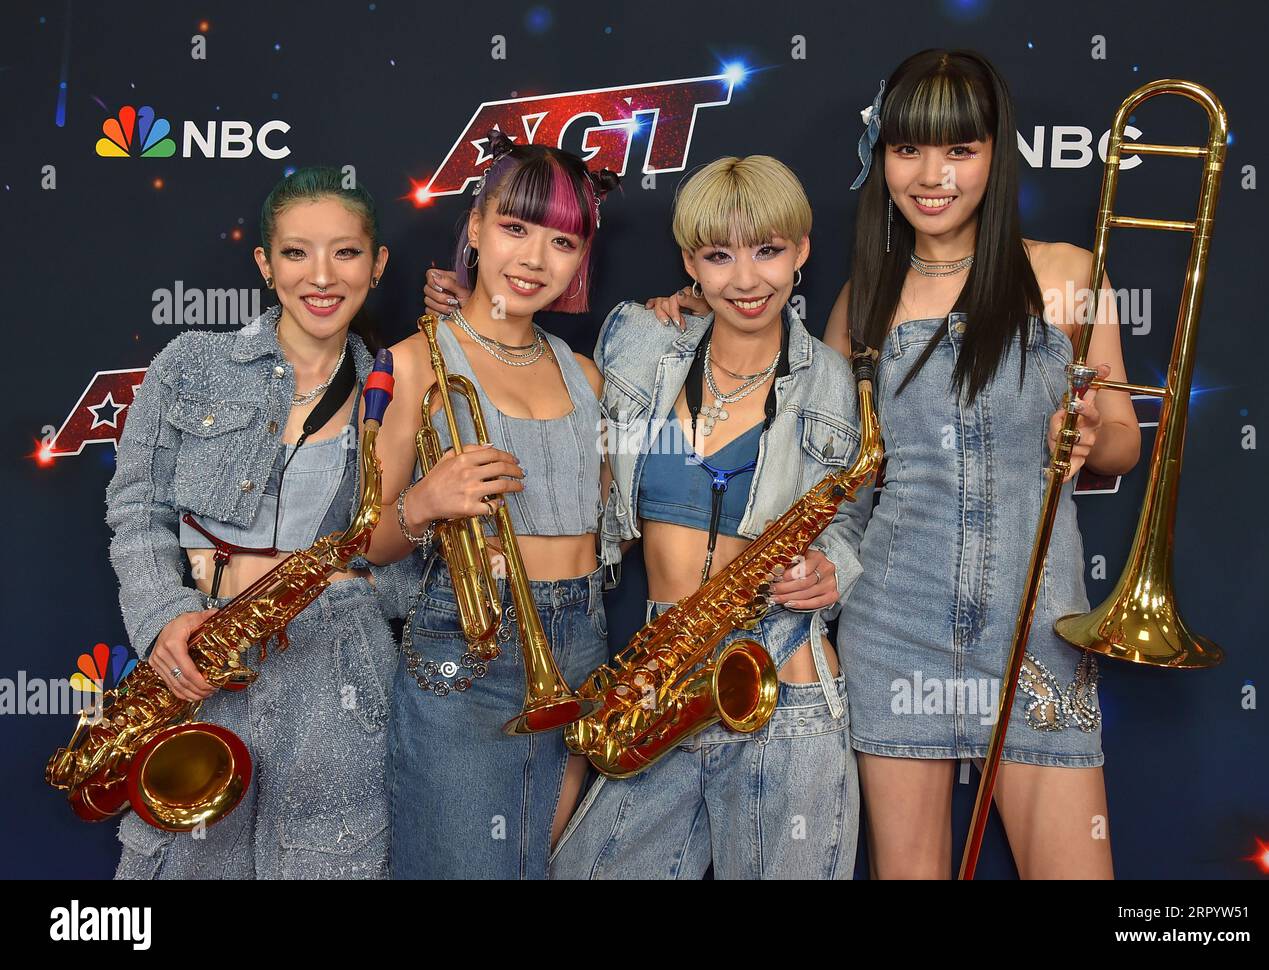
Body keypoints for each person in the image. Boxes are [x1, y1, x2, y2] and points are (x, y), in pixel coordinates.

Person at [647, 50, 1141, 879]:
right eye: (909, 150)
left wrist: (1092, 437)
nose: (933, 175)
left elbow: (1125, 439)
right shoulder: (860, 302)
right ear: (882, 157)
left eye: (960, 150)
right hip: (893, 627)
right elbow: (838, 481)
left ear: (996, 153)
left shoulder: (1067, 276)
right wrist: (683, 316)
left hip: (1037, 625)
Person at [546, 155, 867, 879]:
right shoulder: (639, 338)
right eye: (719, 256)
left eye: (769, 251)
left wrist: (832, 569)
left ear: (803, 250)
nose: (746, 280)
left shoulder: (835, 381)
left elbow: (849, 522)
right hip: (659, 677)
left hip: (786, 675)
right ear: (690, 260)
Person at [107, 166, 401, 878]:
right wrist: (164, 618)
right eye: (297, 252)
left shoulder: (401, 390)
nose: (322, 276)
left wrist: (346, 597)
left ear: (377, 264)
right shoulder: (190, 362)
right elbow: (137, 508)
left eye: (347, 252)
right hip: (198, 662)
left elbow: (408, 557)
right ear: (265, 265)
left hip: (339, 677)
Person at [368, 133, 618, 879]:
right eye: (515, 228)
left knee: (533, 865)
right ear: (474, 227)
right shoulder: (413, 362)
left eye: (562, 240)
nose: (535, 259)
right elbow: (364, 543)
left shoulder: (584, 374)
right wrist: (425, 502)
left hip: (578, 644)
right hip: (470, 647)